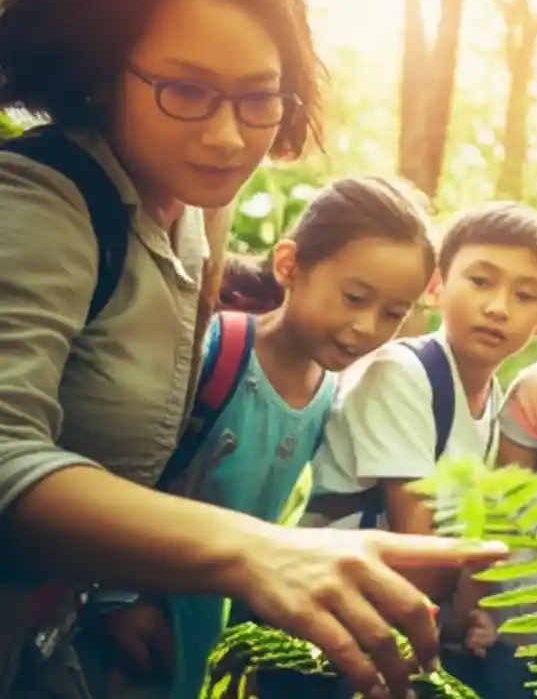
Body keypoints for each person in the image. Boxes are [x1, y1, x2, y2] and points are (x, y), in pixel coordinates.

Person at [0, 0, 503, 698]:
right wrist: (252, 551)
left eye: (258, 98)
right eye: (186, 90)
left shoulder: (195, 210)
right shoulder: (41, 202)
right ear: (103, 72)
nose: (229, 137)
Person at [82, 176, 438, 699]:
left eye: (393, 313)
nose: (367, 326)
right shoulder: (214, 354)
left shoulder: (329, 394)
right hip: (136, 621)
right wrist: (114, 600)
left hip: (210, 631)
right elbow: (120, 476)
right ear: (289, 265)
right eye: (354, 297)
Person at [307, 201, 537, 697]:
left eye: (524, 295)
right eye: (480, 281)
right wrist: (459, 618)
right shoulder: (402, 374)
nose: (498, 307)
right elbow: (418, 549)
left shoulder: (495, 401)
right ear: (437, 286)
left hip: (406, 619)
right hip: (339, 621)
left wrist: (476, 615)